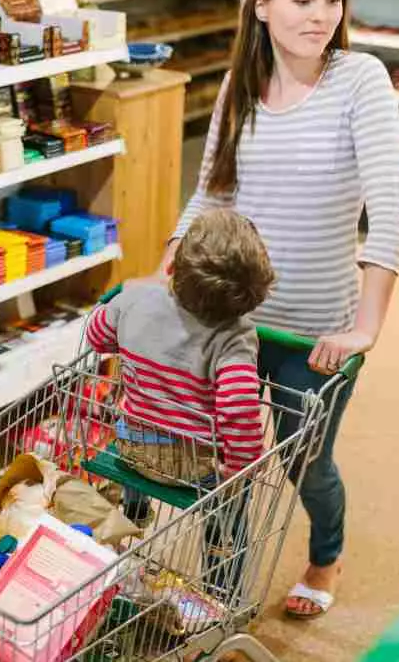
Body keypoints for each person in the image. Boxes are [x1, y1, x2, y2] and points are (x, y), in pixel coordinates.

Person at [165, 0, 399, 619]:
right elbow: (210, 195)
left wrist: (365, 323)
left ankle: (324, 556)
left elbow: (390, 204)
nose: (321, 15)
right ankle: (221, 588)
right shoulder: (238, 89)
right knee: (222, 459)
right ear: (262, 4)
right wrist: (164, 274)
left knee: (304, 461)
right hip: (232, 318)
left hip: (317, 329)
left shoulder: (360, 80)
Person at [86, 208, 276, 487]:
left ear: (171, 267)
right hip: (192, 466)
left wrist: (131, 327)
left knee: (133, 399)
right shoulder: (236, 336)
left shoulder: (136, 297)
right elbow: (237, 410)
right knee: (257, 458)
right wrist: (243, 465)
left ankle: (135, 507)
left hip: (130, 445)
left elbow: (97, 337)